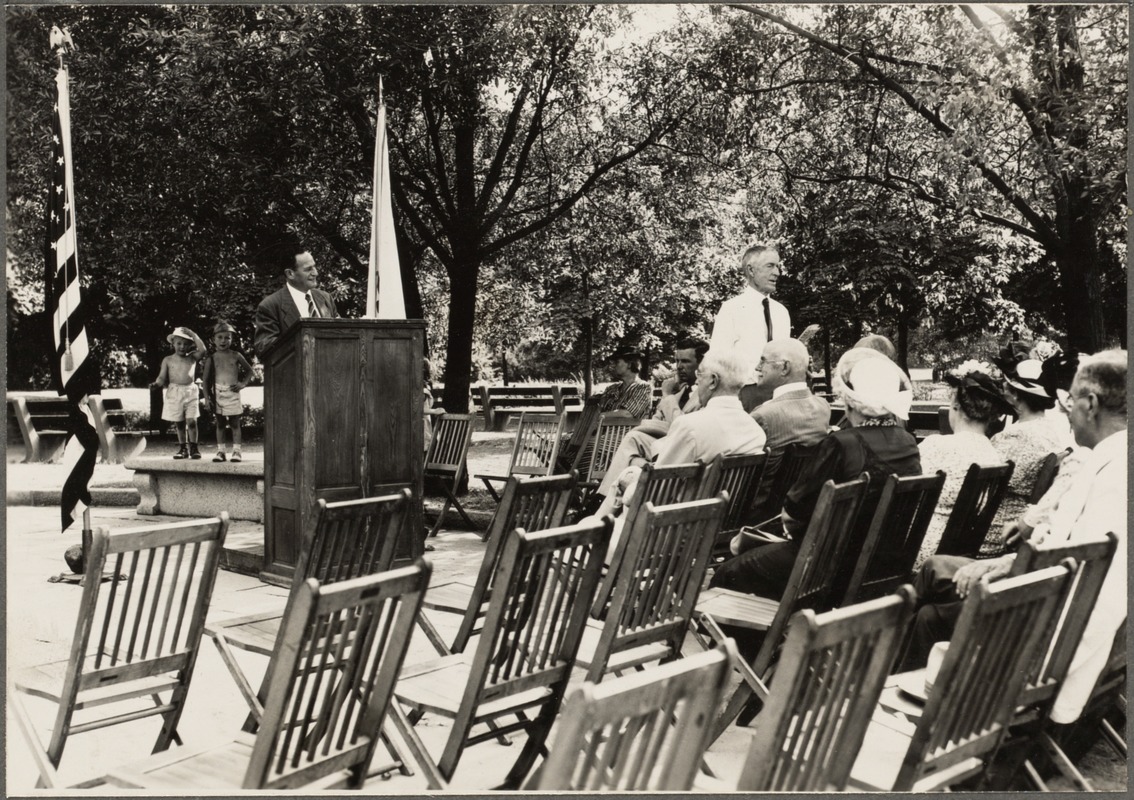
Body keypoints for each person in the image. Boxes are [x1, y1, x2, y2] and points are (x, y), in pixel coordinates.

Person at [906, 350, 1126, 729]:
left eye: (1071, 401)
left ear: (1090, 404)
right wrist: (1007, 563)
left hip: (1047, 637)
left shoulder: (1114, 473)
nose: (1066, 411)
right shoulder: (1109, 458)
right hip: (1055, 612)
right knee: (933, 594)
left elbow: (1088, 572)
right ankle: (916, 712)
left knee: (929, 609)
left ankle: (918, 720)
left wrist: (1015, 572)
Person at [710, 349, 921, 600]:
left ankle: (755, 639)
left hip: (827, 568)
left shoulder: (843, 443)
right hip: (882, 566)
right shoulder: (907, 442)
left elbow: (795, 511)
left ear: (850, 400)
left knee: (728, 573)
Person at [590, 349, 767, 555]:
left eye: (699, 376)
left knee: (606, 507)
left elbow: (657, 491)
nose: (696, 383)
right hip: (716, 529)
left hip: (667, 536)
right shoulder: (755, 430)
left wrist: (629, 481)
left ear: (712, 380)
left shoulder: (691, 425)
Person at [735, 337, 831, 544]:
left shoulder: (763, 415)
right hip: (794, 509)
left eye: (763, 361)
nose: (757, 367)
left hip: (756, 516)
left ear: (784, 368)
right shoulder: (823, 407)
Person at [915, 365, 1012, 566]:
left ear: (956, 407)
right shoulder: (995, 455)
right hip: (961, 554)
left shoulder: (937, 445)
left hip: (924, 553)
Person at [591, 338, 708, 502]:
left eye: (686, 361)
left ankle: (605, 501)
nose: (679, 366)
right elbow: (655, 420)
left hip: (680, 451)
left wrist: (667, 396)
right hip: (660, 444)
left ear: (701, 363)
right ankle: (608, 500)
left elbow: (684, 429)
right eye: (677, 361)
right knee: (633, 443)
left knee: (631, 451)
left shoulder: (704, 394)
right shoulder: (679, 392)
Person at [982, 358, 1068, 556]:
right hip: (1022, 522)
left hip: (998, 532)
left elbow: (985, 485)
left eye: (1008, 387)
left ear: (1015, 396)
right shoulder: (1050, 429)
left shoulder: (1014, 436)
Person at [710, 245, 791, 411]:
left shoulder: (781, 312)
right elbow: (717, 359)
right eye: (770, 266)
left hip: (779, 395)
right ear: (751, 270)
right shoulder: (731, 309)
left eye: (777, 266)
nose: (777, 272)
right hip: (744, 394)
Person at [253, 243, 340, 358]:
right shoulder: (270, 306)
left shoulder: (325, 298)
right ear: (290, 273)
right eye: (308, 269)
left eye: (314, 266)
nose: (315, 273)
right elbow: (263, 347)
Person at [152, 326, 207, 460]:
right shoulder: (168, 360)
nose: (182, 347)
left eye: (186, 344)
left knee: (192, 421)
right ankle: (183, 448)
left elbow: (203, 351)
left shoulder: (192, 357)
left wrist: (194, 335)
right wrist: (156, 384)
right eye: (179, 343)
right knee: (179, 423)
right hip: (174, 392)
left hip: (190, 391)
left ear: (190, 345)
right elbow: (161, 377)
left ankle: (194, 448)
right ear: (173, 343)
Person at [201, 321, 253, 462]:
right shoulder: (211, 358)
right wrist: (207, 397)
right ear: (214, 339)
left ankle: (237, 451)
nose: (223, 341)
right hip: (218, 393)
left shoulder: (236, 355)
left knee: (235, 423)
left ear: (232, 339)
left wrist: (243, 383)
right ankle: (221, 451)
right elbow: (205, 381)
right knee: (220, 423)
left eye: (227, 337)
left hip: (233, 392)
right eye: (220, 337)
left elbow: (250, 371)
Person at [589, 347, 652, 420]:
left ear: (629, 364)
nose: (613, 365)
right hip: (604, 430)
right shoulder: (612, 388)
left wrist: (601, 415)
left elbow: (628, 413)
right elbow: (599, 408)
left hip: (630, 431)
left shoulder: (643, 387)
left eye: (617, 362)